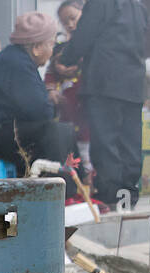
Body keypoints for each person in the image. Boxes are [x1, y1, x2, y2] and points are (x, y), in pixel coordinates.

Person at [0, 11, 77, 178]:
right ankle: (59, 189)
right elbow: (40, 111)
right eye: (51, 45)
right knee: (55, 131)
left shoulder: (17, 59)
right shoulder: (17, 64)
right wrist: (50, 103)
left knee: (60, 129)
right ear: (37, 48)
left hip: (1, 130)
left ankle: (70, 184)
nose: (52, 51)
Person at [58, 0, 149, 209]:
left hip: (104, 82)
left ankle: (110, 195)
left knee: (106, 141)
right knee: (130, 141)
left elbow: (84, 36)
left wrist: (66, 57)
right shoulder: (138, 6)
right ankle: (128, 196)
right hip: (133, 83)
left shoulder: (100, 3)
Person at [46, 0, 90, 174]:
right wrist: (51, 91)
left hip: (87, 110)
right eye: (65, 22)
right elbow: (49, 74)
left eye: (73, 18)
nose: (70, 25)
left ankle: (91, 185)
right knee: (71, 151)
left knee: (89, 151)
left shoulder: (93, 46)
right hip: (66, 110)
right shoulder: (59, 49)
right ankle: (76, 187)